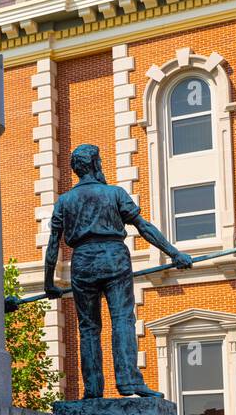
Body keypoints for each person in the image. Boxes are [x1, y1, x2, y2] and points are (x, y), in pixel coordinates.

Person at [44, 144, 192, 398]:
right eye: (99, 161)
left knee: (88, 327)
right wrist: (174, 252)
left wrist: (49, 284)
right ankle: (129, 383)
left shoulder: (65, 201)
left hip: (82, 262)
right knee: (122, 319)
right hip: (113, 257)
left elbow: (52, 246)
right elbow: (143, 227)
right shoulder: (114, 193)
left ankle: (92, 390)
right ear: (94, 164)